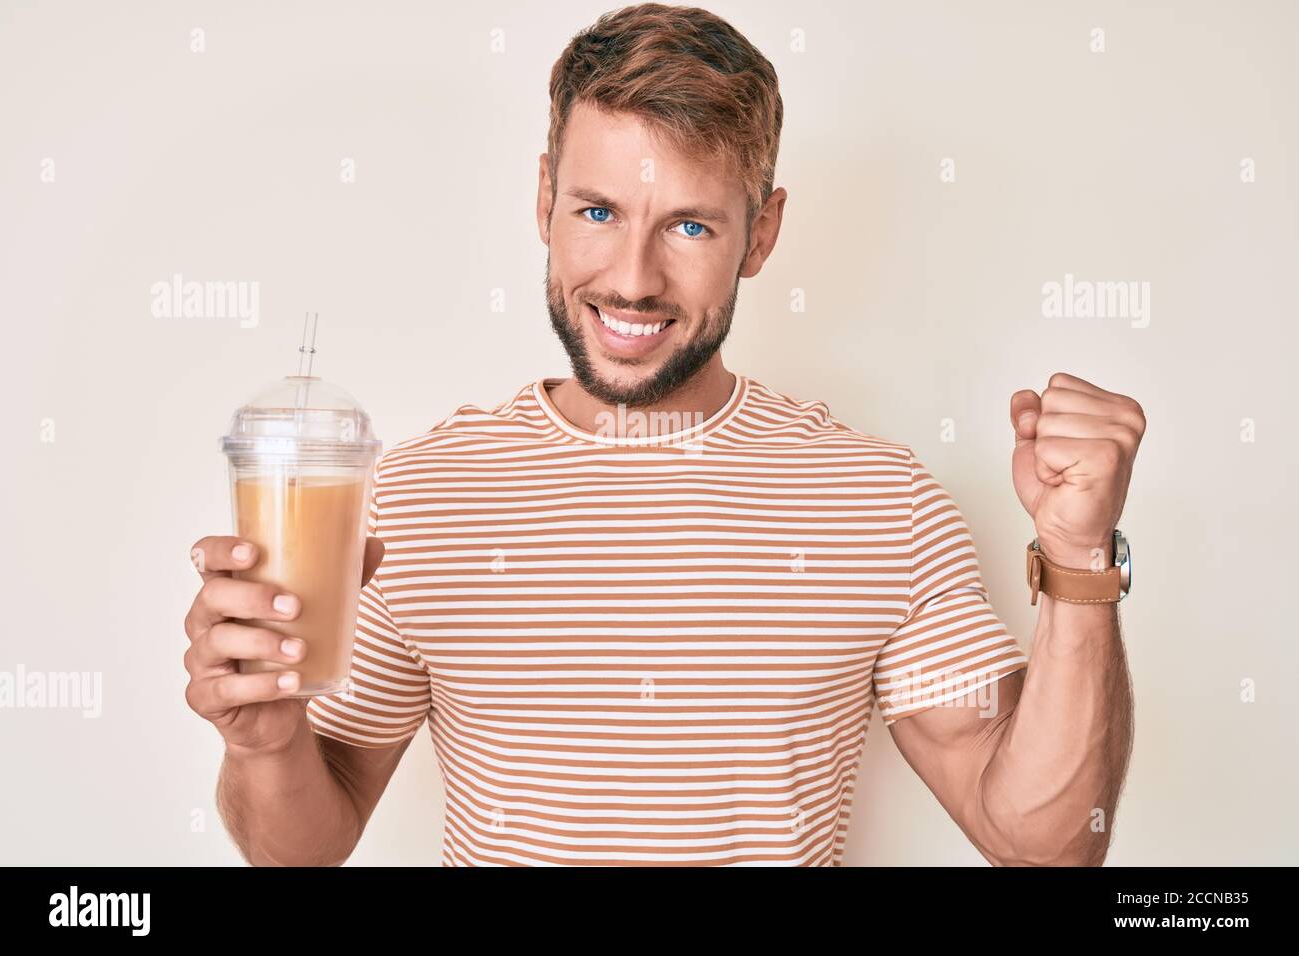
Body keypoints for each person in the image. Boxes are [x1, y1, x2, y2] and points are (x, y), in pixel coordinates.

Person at [184, 3, 1144, 866]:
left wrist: (1077, 562)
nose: (634, 279)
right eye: (597, 211)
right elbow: (300, 850)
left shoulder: (876, 500)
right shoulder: (419, 494)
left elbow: (1046, 846)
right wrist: (262, 742)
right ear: (543, 200)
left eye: (688, 226)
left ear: (761, 235)